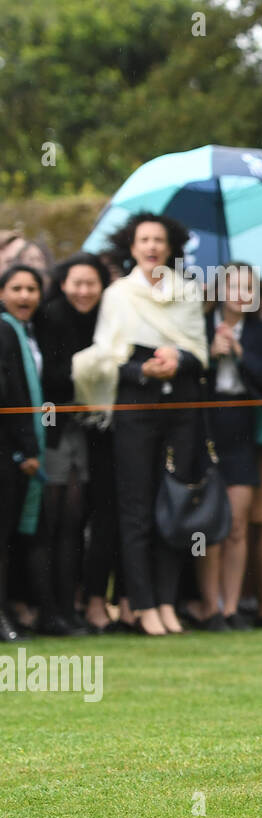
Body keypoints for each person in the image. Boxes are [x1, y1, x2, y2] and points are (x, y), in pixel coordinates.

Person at [82, 214, 210, 635]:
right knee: (135, 509)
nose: (152, 246)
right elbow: (105, 358)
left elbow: (200, 354)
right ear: (132, 246)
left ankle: (168, 602)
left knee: (173, 505)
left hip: (182, 412)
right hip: (136, 410)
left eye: (159, 240)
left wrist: (179, 359)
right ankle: (143, 604)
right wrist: (142, 371)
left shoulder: (188, 291)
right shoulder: (118, 294)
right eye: (144, 240)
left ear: (170, 247)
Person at [33, 254, 114, 634]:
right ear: (63, 284)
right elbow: (52, 378)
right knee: (54, 522)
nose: (84, 291)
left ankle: (71, 607)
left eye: (91, 283)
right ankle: (47, 609)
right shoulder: (49, 316)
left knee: (75, 523)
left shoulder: (107, 319)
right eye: (76, 283)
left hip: (87, 434)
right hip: (53, 433)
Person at [197, 263, 262, 631]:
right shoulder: (199, 326)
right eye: (233, 287)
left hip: (243, 428)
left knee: (238, 523)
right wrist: (210, 355)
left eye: (248, 288)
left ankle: (230, 608)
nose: (240, 295)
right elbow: (189, 379)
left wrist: (241, 353)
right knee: (211, 523)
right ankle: (209, 606)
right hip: (207, 429)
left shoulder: (261, 331)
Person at [0, 265, 49, 641]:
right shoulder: (5, 331)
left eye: (31, 288)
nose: (24, 296)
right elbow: (12, 392)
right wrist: (26, 448)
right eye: (16, 288)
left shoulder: (24, 331)